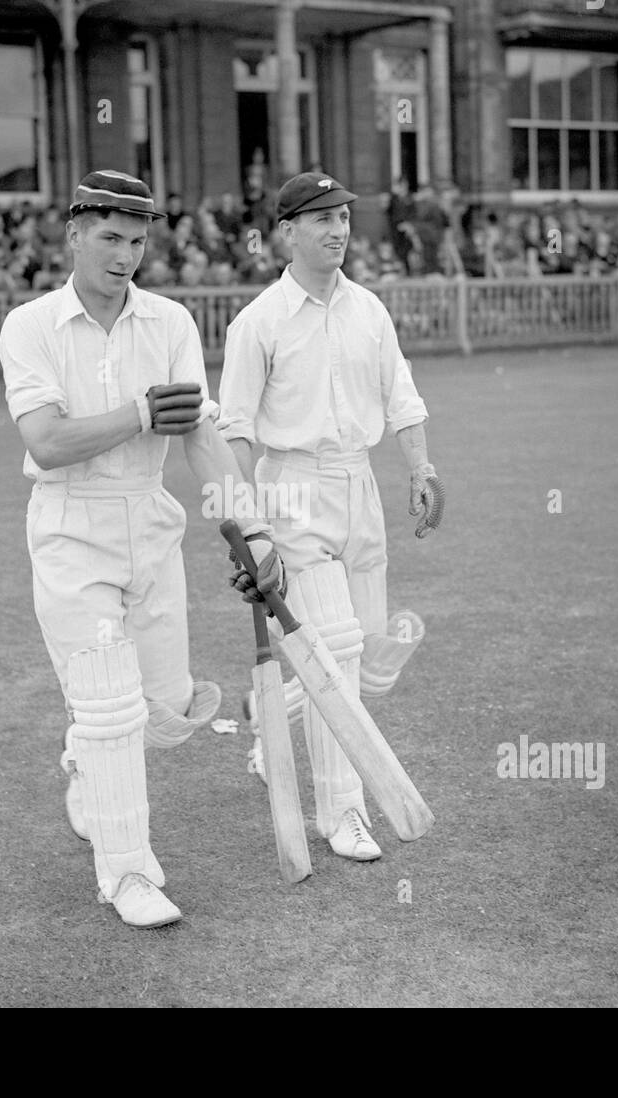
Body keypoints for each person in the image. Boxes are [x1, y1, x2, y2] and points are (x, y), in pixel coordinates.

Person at [0, 169, 285, 929]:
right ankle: (129, 874)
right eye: (110, 238)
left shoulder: (170, 325)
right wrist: (136, 411)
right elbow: (49, 442)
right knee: (110, 711)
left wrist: (250, 531)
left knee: (163, 708)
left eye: (137, 240)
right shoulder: (30, 327)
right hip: (70, 528)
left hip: (148, 523)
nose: (125, 255)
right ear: (73, 235)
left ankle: (87, 767)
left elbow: (198, 433)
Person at [218, 171, 445, 862]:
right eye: (321, 219)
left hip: (358, 484)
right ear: (286, 233)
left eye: (344, 216)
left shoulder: (368, 309)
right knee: (338, 649)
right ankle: (341, 813)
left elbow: (400, 396)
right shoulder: (258, 322)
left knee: (366, 655)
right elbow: (234, 429)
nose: (339, 230)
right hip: (290, 488)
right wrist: (248, 526)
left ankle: (269, 719)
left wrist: (421, 468)